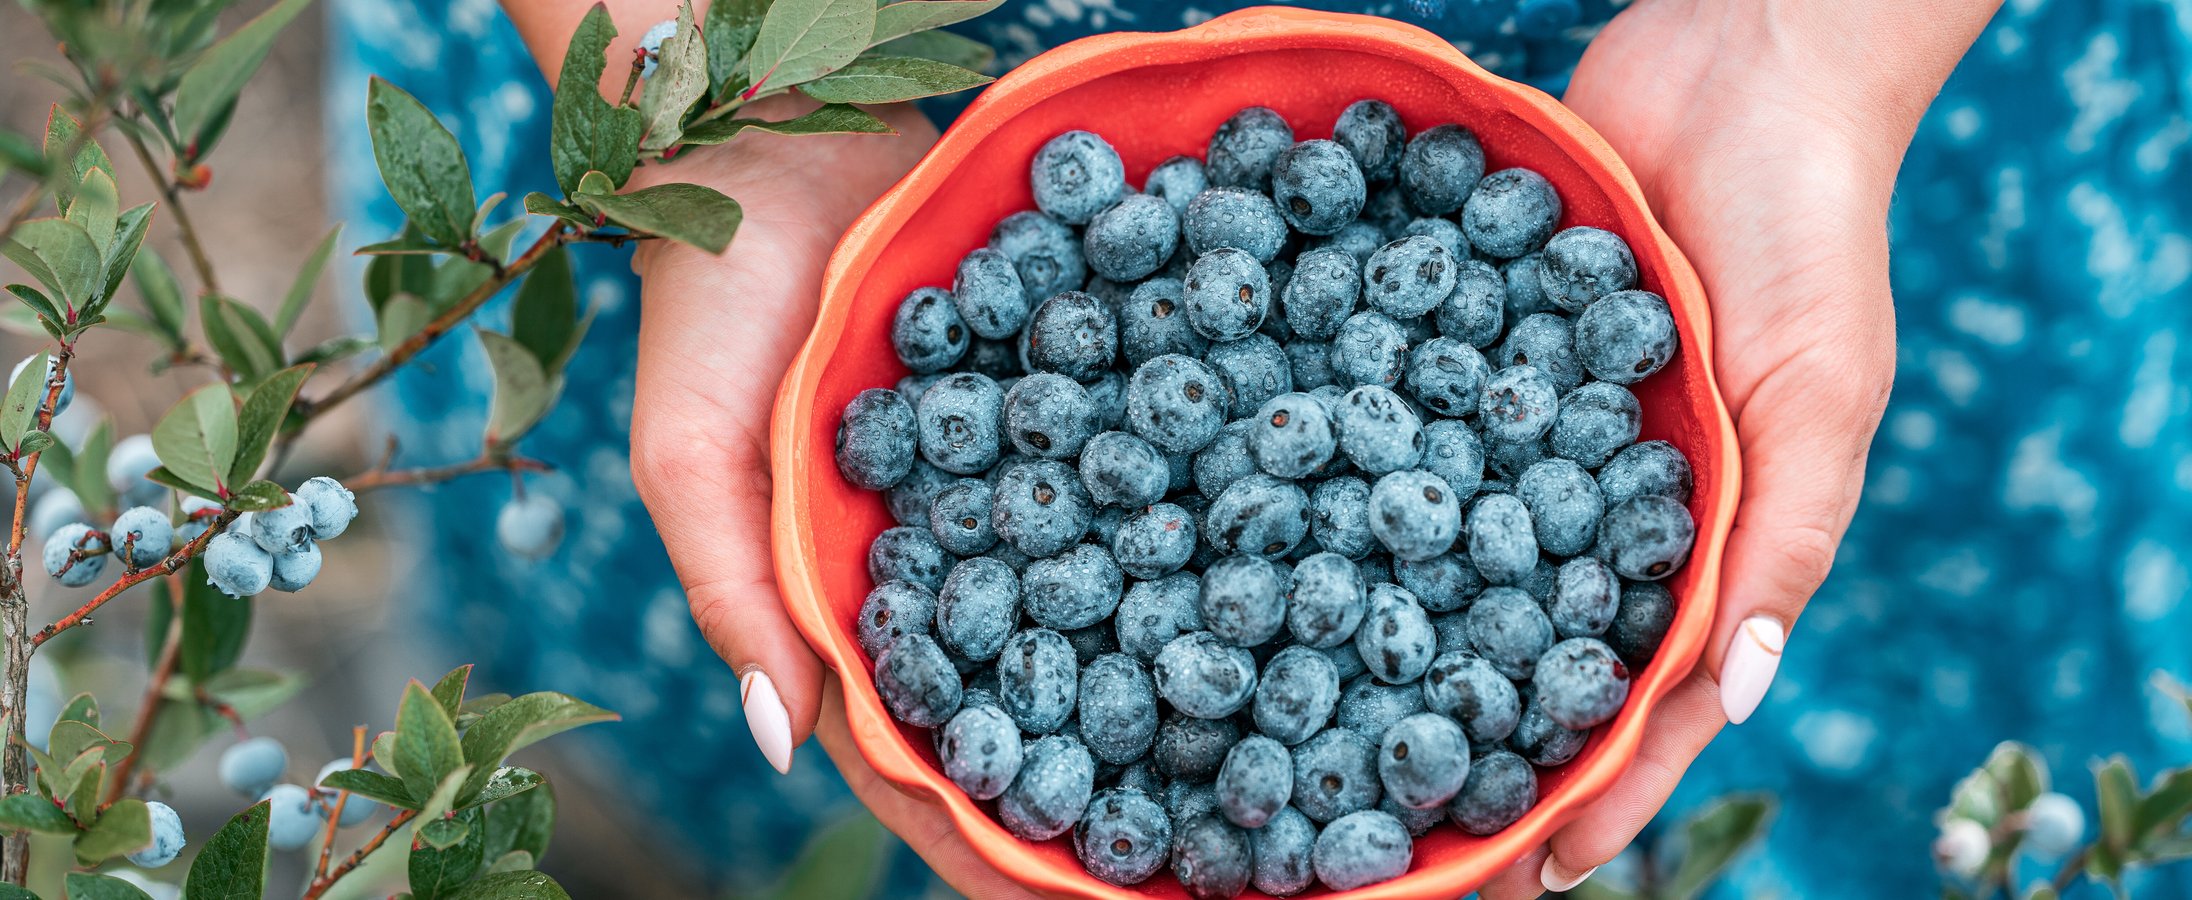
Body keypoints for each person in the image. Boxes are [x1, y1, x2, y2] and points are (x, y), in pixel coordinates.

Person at [328, 0, 2192, 895]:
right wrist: (701, 81)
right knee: (778, 646)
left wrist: (1806, 41)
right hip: (831, 57)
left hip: (1806, 84)